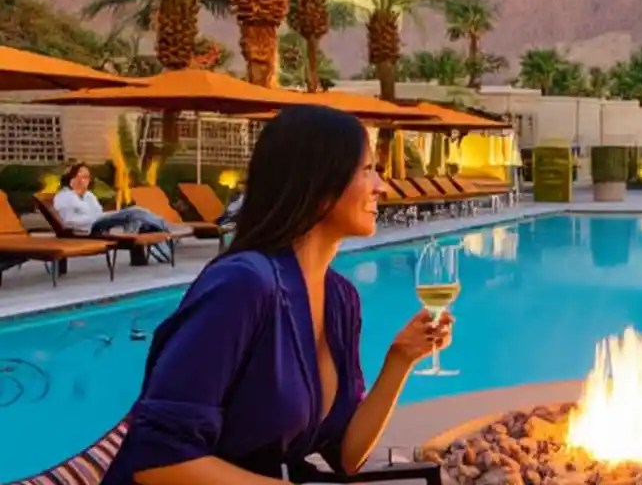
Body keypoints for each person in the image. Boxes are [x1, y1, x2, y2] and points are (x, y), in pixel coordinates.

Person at [103, 105, 453, 485]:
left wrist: (400, 360)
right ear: (319, 183)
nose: (381, 187)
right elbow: (158, 459)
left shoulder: (340, 299)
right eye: (367, 170)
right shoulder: (242, 285)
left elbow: (348, 457)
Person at [52, 162, 106, 231]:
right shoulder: (64, 196)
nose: (85, 181)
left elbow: (99, 212)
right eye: (82, 177)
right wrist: (95, 219)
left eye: (87, 177)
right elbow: (68, 221)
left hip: (98, 228)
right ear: (72, 179)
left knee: (122, 215)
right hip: (81, 233)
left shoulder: (89, 195)